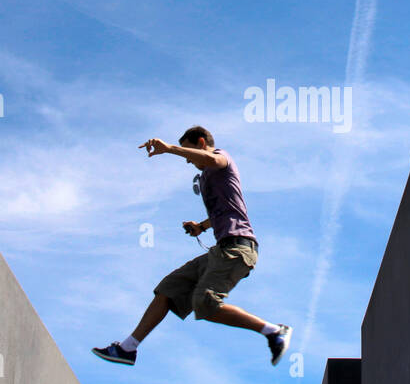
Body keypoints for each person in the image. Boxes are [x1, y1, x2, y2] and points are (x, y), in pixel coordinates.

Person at [92, 125, 291, 367]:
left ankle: (273, 331)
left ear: (200, 142)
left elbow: (211, 158)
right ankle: (127, 348)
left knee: (205, 304)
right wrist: (202, 226)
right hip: (220, 249)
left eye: (189, 153)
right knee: (168, 288)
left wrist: (170, 149)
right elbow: (228, 209)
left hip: (238, 248)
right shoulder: (208, 176)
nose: (188, 161)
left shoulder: (222, 158)